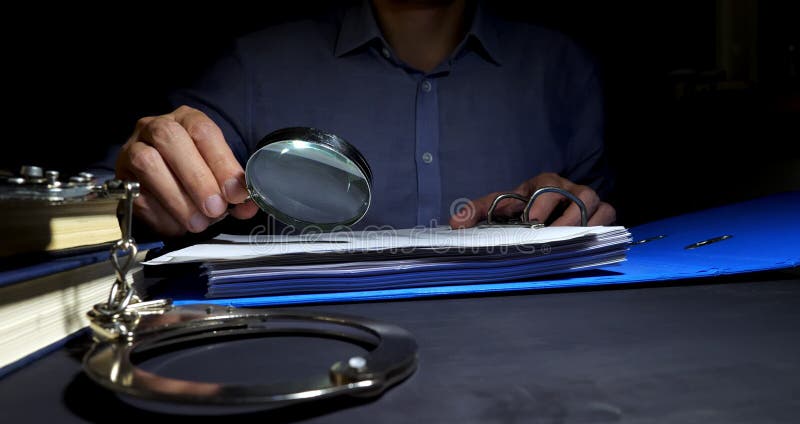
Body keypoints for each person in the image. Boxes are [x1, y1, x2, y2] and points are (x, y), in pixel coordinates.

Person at [113, 0, 616, 237]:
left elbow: (609, 227)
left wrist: (579, 213)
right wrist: (138, 186)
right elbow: (111, 195)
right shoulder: (253, 66)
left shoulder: (565, 69)